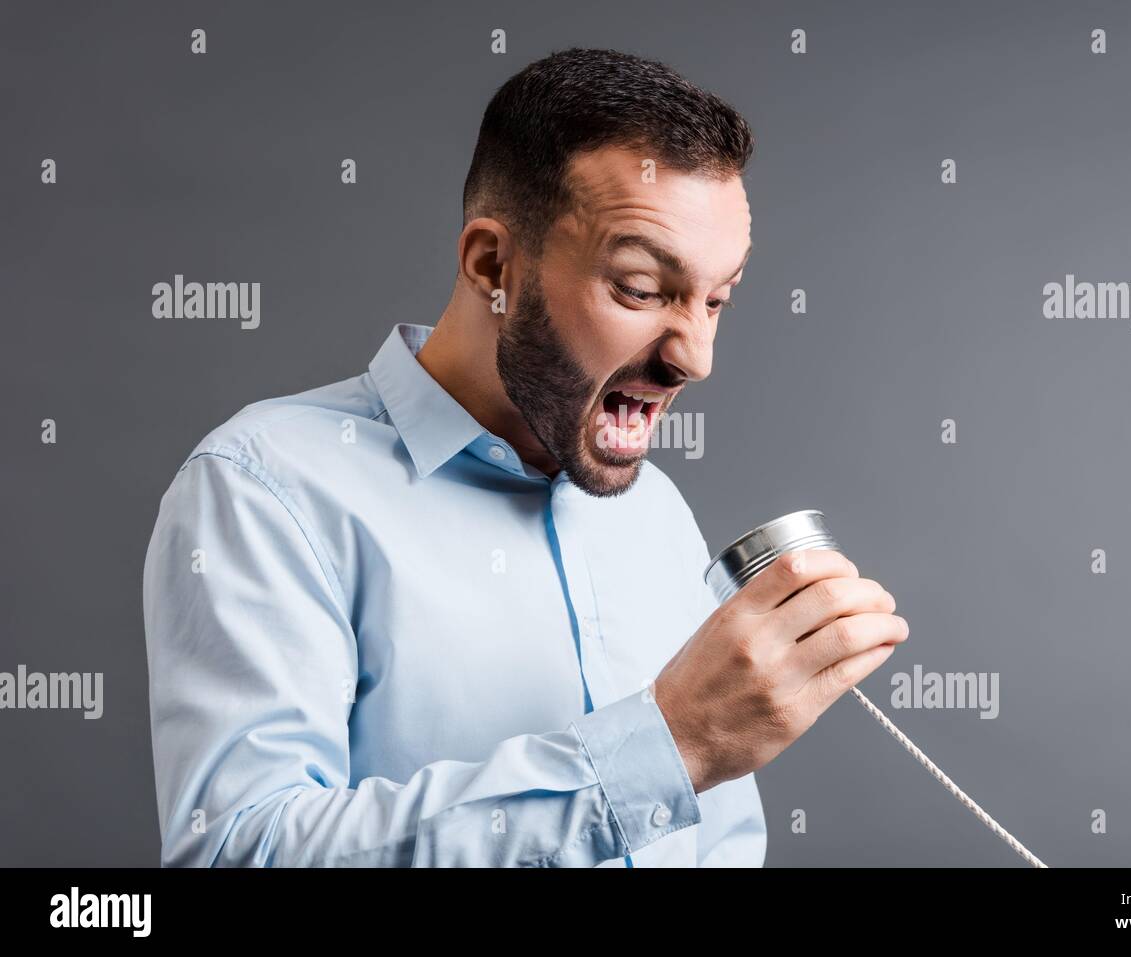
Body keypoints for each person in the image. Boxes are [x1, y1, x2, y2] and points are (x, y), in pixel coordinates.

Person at [142, 46, 908, 867]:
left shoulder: (655, 513)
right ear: (491, 266)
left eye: (716, 299)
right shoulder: (267, 487)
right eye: (644, 289)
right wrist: (669, 744)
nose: (695, 357)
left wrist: (691, 750)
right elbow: (238, 851)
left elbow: (719, 844)